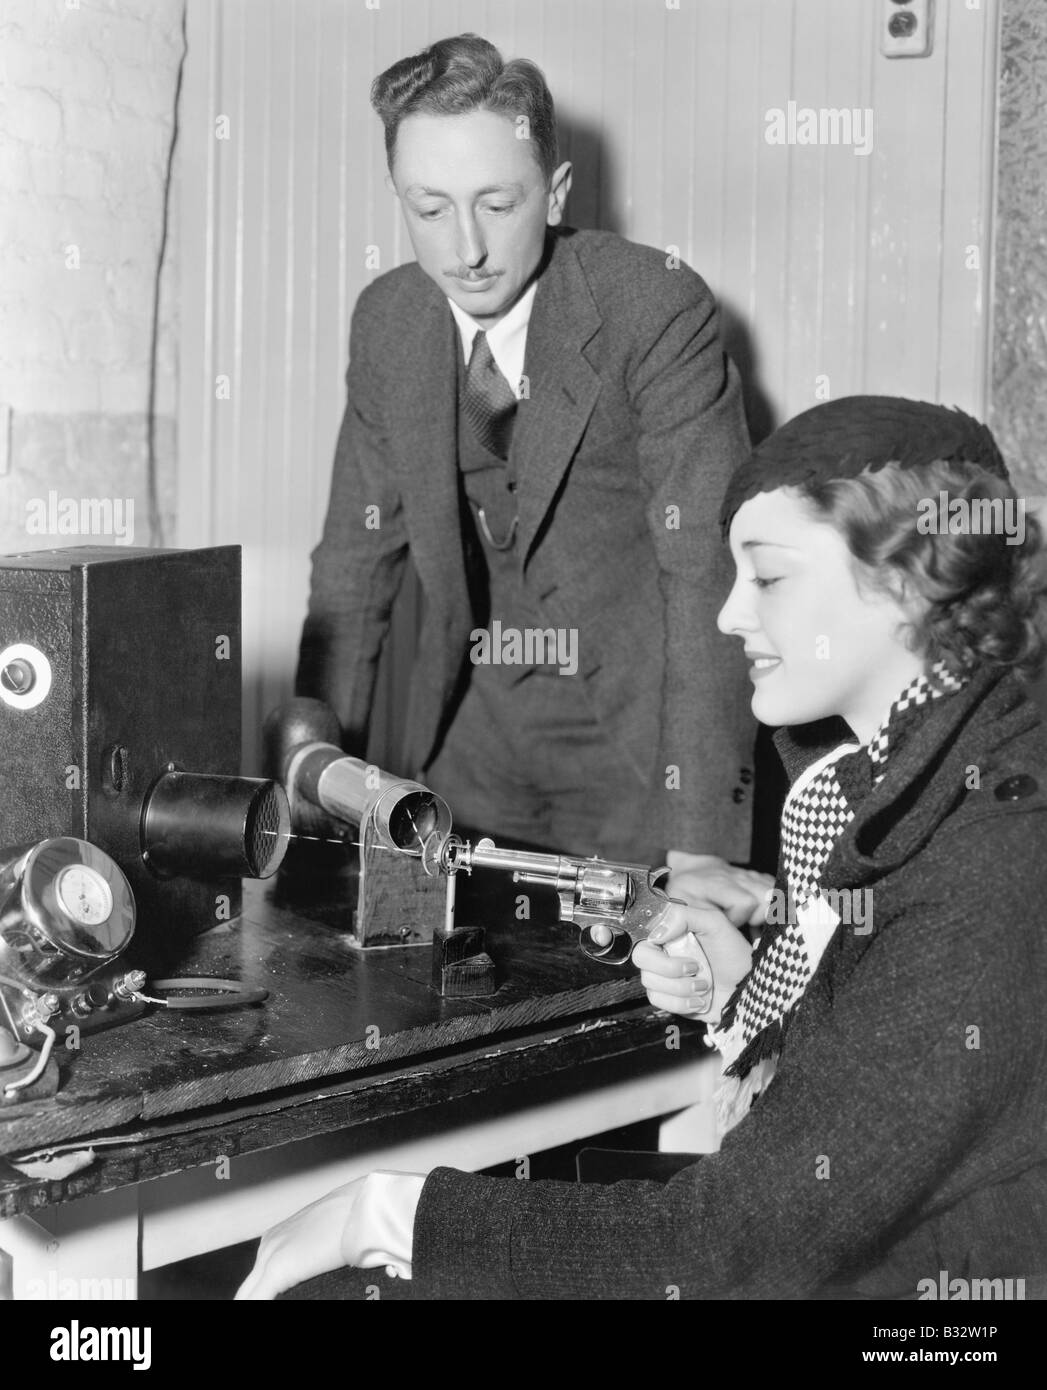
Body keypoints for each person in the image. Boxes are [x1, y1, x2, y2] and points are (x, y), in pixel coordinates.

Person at [240, 396, 1047, 1301]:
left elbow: (715, 1254)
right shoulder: (911, 781)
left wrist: (381, 1214)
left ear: (908, 580)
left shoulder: (993, 859)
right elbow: (873, 1090)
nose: (727, 617)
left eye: (769, 578)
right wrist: (745, 987)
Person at [294, 34, 754, 864]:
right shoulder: (388, 321)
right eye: (428, 209)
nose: (463, 249)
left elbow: (705, 572)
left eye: (497, 205)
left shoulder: (654, 305)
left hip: (640, 755)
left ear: (554, 193)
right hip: (467, 755)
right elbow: (353, 571)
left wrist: (702, 847)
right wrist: (308, 781)